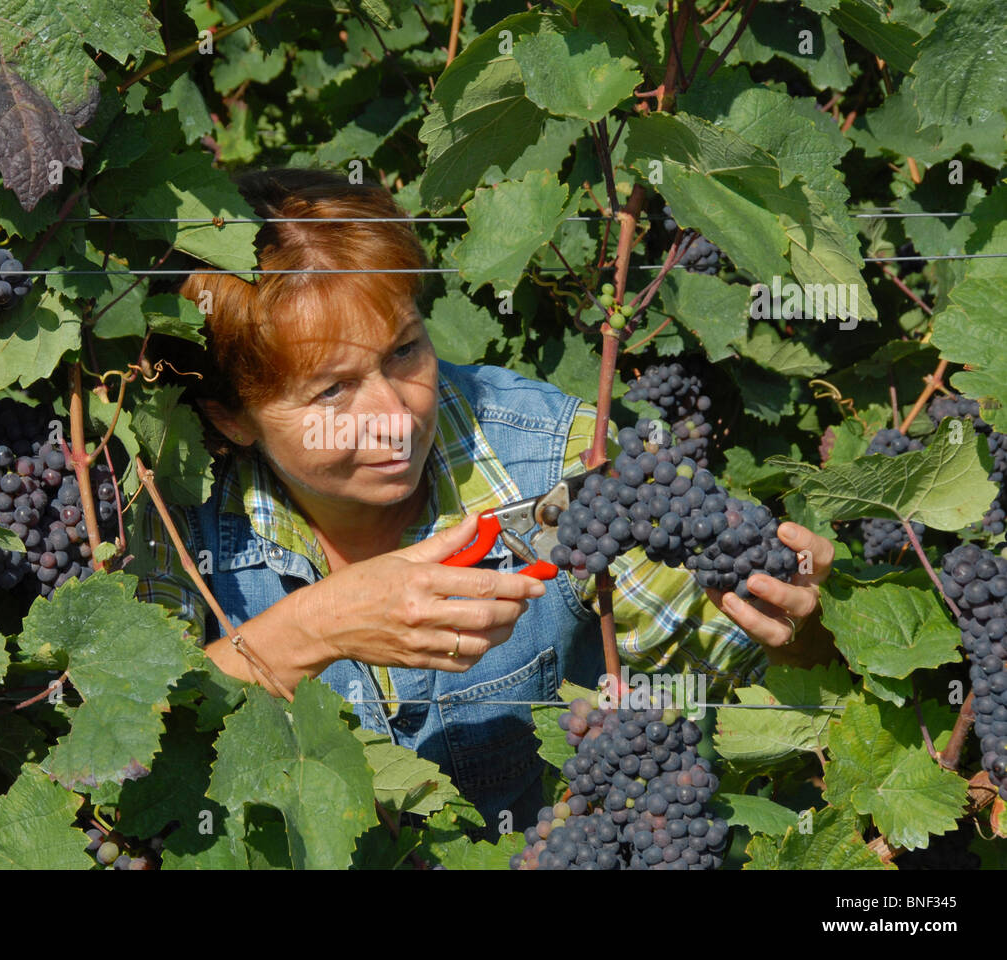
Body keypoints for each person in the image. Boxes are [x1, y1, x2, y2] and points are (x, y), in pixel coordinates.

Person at [134, 167, 836, 833]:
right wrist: (312, 629)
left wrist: (796, 622)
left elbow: (744, 668)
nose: (395, 416)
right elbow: (142, 760)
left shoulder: (560, 461)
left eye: (404, 351)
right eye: (332, 391)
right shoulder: (173, 510)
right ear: (230, 418)